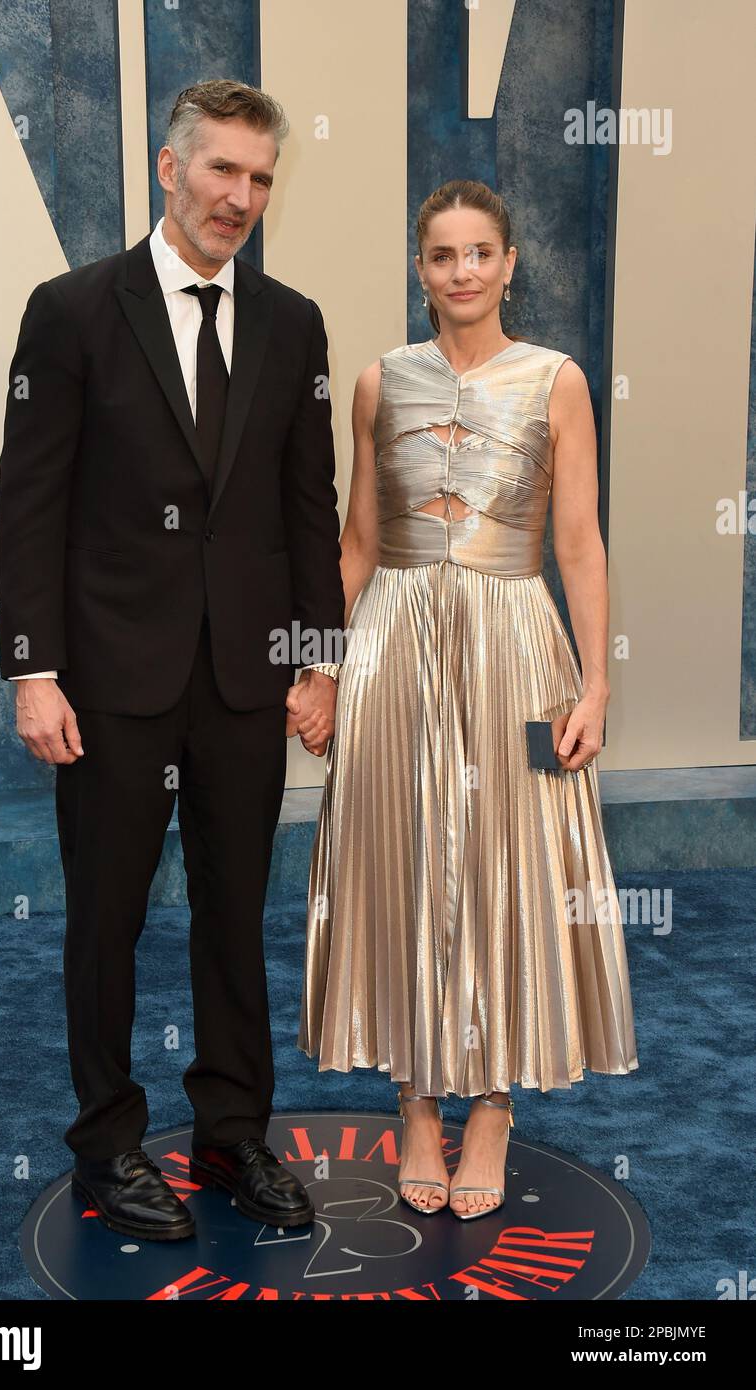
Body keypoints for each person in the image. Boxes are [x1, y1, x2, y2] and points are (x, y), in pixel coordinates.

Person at [0, 79, 344, 1240]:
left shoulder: (292, 321)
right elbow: (30, 505)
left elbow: (309, 504)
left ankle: (234, 1131)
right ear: (168, 168)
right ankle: (106, 1140)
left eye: (258, 179)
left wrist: (317, 658)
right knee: (106, 915)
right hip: (108, 680)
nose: (238, 198)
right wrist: (32, 669)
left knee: (233, 911)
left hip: (246, 677)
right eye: (220, 172)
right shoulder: (72, 309)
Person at [298, 179, 638, 1220]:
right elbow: (354, 544)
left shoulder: (556, 381)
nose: (461, 272)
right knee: (398, 853)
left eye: (478, 253)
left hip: (514, 645)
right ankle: (413, 1101)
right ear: (419, 268)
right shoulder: (374, 382)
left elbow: (576, 541)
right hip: (393, 641)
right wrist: (317, 666)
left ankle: (489, 1101)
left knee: (506, 853)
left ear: (508, 261)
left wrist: (594, 681)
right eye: (441, 255)